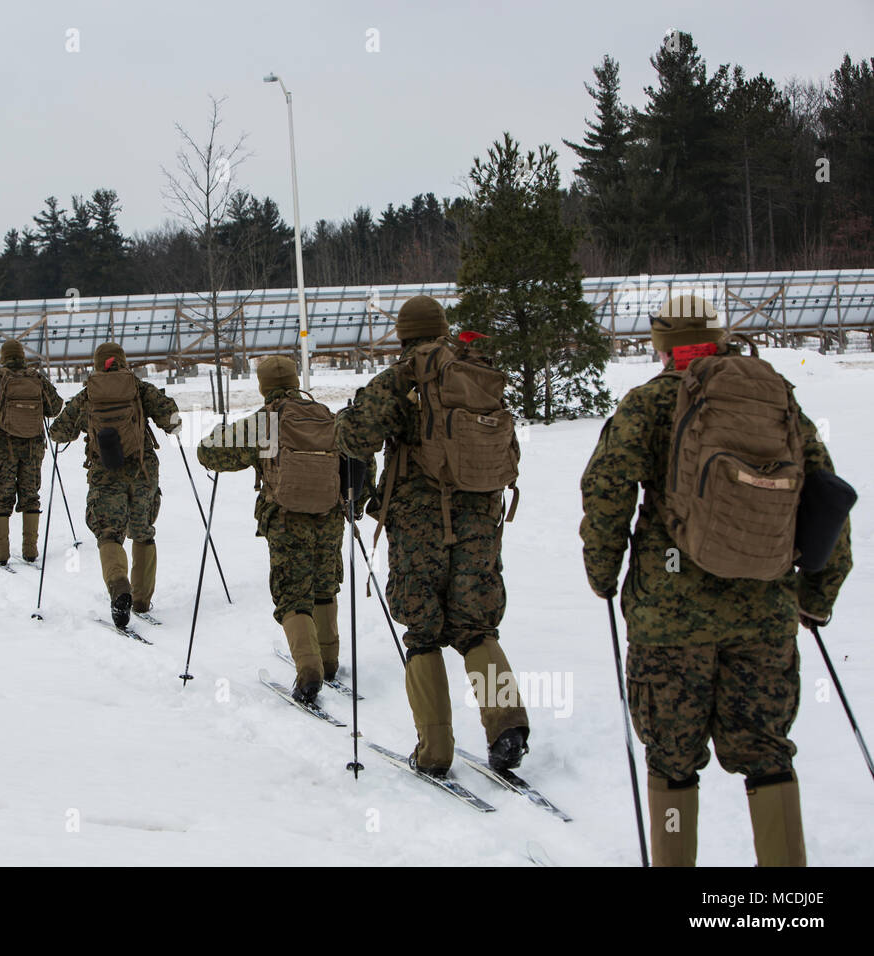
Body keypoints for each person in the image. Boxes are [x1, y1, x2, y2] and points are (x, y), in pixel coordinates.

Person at [579, 294, 852, 867]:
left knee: (673, 762)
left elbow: (607, 491)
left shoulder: (648, 403)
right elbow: (826, 498)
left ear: (661, 344)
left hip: (668, 619)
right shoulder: (775, 400)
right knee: (768, 754)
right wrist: (816, 596)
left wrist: (603, 572)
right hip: (765, 613)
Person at [335, 295, 529, 775]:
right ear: (444, 328)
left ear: (403, 336)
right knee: (476, 626)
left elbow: (354, 438)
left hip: (419, 521)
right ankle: (506, 726)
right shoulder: (475, 370)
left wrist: (348, 418)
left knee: (423, 632)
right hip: (481, 516)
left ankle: (436, 750)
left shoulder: (404, 379)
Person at [197, 355, 344, 702]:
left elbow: (210, 453)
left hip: (286, 519)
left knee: (292, 593)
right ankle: (330, 658)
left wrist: (219, 434)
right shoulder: (326, 416)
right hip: (329, 515)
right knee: (324, 584)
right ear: (295, 380)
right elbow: (354, 459)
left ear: (263, 386)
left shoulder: (266, 422)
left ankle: (309, 669)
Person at [48, 342, 180, 628]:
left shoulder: (89, 394)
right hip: (143, 469)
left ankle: (119, 587)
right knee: (143, 531)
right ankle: (142, 600)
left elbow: (58, 431)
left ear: (97, 364)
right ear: (123, 361)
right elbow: (172, 417)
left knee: (109, 533)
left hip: (105, 473)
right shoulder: (139, 388)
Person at [0, 339, 63, 564]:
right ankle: (30, 550)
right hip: (33, 447)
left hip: (1, 448)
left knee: (1, 498)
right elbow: (55, 407)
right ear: (22, 356)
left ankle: (1, 553)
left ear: (3, 357)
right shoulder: (36, 378)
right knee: (31, 496)